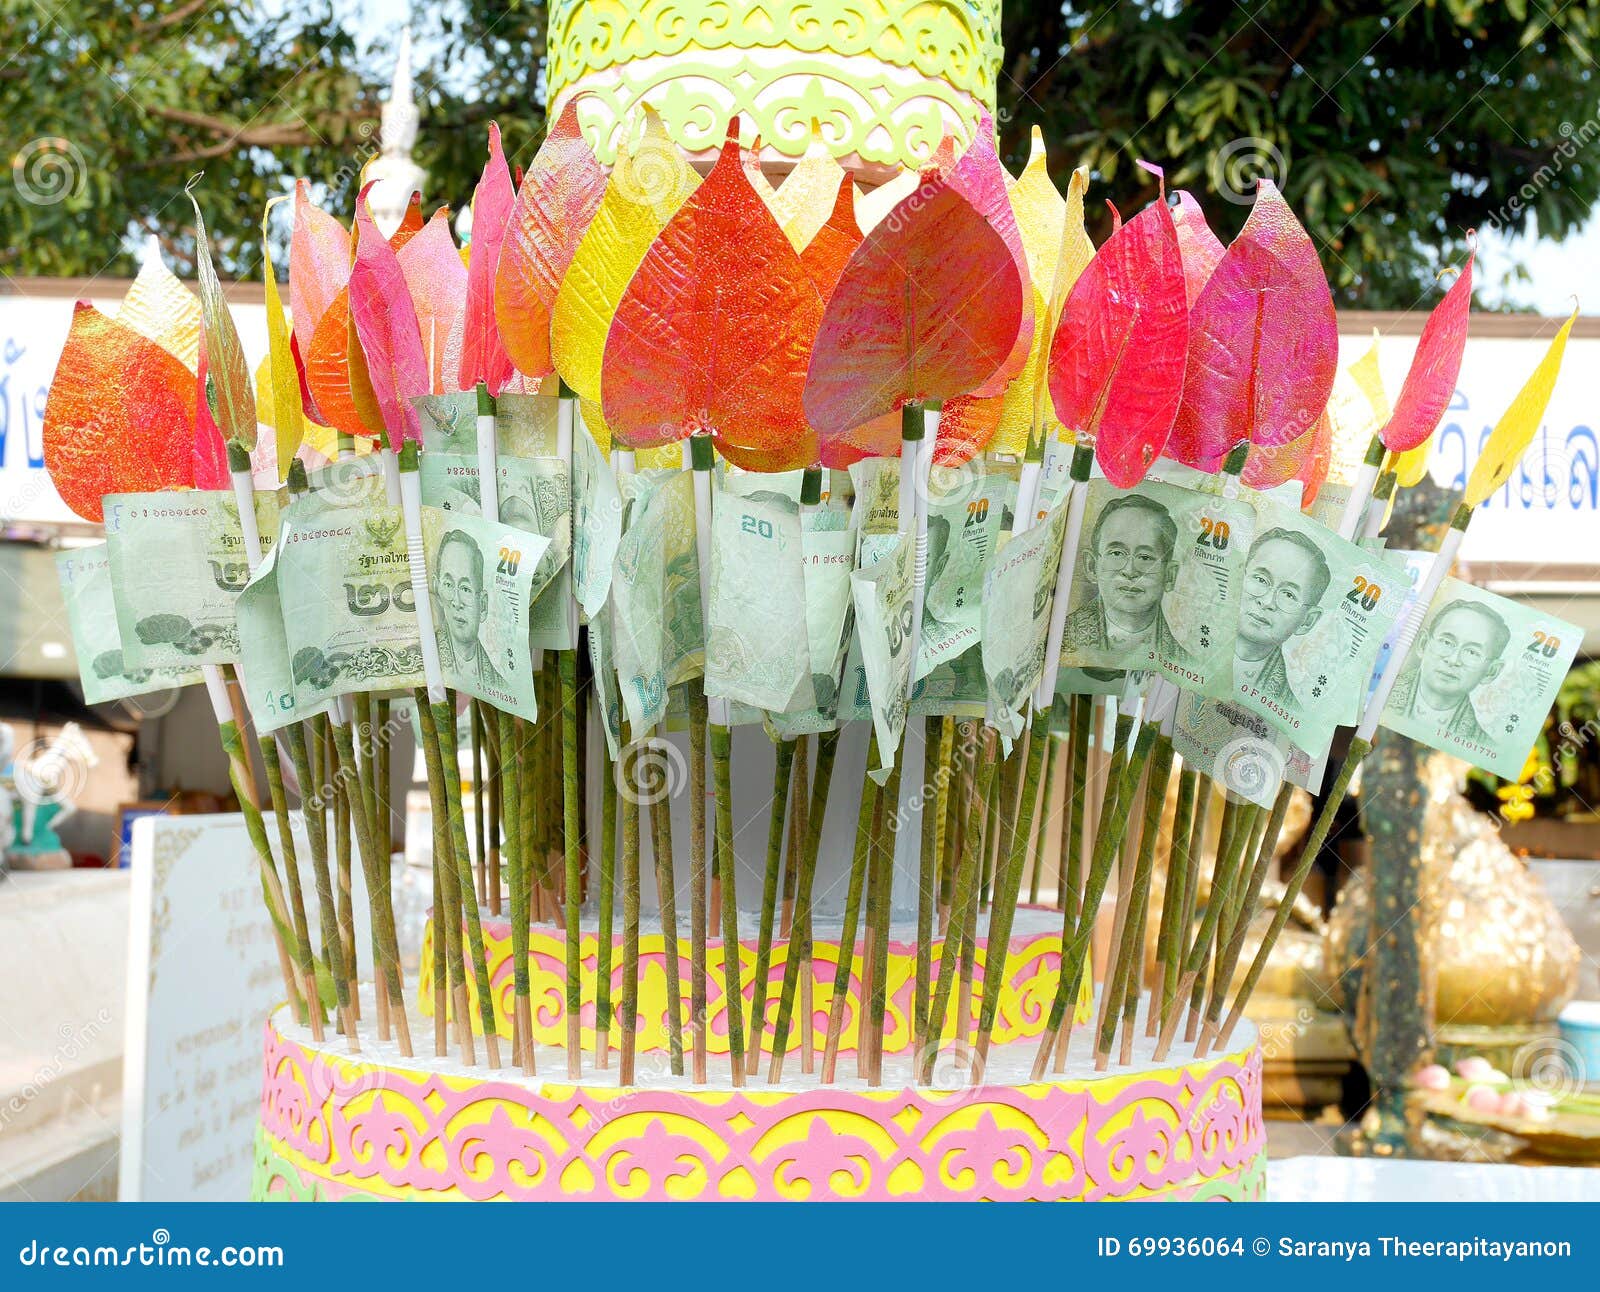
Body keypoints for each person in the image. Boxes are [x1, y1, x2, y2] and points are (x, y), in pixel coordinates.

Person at [1064, 494, 1194, 667]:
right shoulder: (1057, 640)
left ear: (1169, 575)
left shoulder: (1185, 662)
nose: (1130, 571)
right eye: (1117, 553)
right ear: (1091, 566)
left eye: (1146, 557)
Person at [1234, 527, 1331, 710]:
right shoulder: (1184, 657)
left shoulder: (1290, 709)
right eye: (1261, 579)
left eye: (1288, 594)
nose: (1267, 601)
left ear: (1307, 621)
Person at [1389, 598, 1508, 745]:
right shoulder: (1376, 697)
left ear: (1491, 671)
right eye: (1446, 642)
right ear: (1423, 644)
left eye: (1472, 652)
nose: (1453, 660)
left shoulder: (1483, 744)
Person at [434, 529, 509, 692]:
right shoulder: (425, 661)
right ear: (438, 591)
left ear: (482, 605)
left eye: (465, 588)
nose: (456, 602)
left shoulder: (498, 683)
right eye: (448, 585)